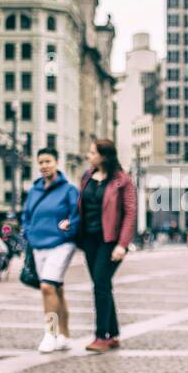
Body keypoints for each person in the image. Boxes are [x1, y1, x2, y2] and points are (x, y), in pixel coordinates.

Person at [77, 138, 136, 353]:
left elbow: (130, 213)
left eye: (92, 152)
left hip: (110, 241)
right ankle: (114, 333)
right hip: (89, 239)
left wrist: (122, 244)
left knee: (100, 284)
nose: (88, 156)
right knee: (102, 284)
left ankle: (101, 336)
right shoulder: (87, 177)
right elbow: (81, 205)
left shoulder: (123, 180)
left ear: (104, 155)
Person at [21, 147, 80, 353]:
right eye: (41, 162)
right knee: (57, 289)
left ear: (57, 163)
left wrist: (66, 233)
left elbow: (76, 216)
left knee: (47, 287)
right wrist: (28, 232)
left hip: (61, 244)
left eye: (48, 161)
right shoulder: (34, 190)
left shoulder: (69, 190)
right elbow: (26, 215)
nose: (44, 166)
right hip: (38, 245)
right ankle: (65, 335)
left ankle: (51, 333)